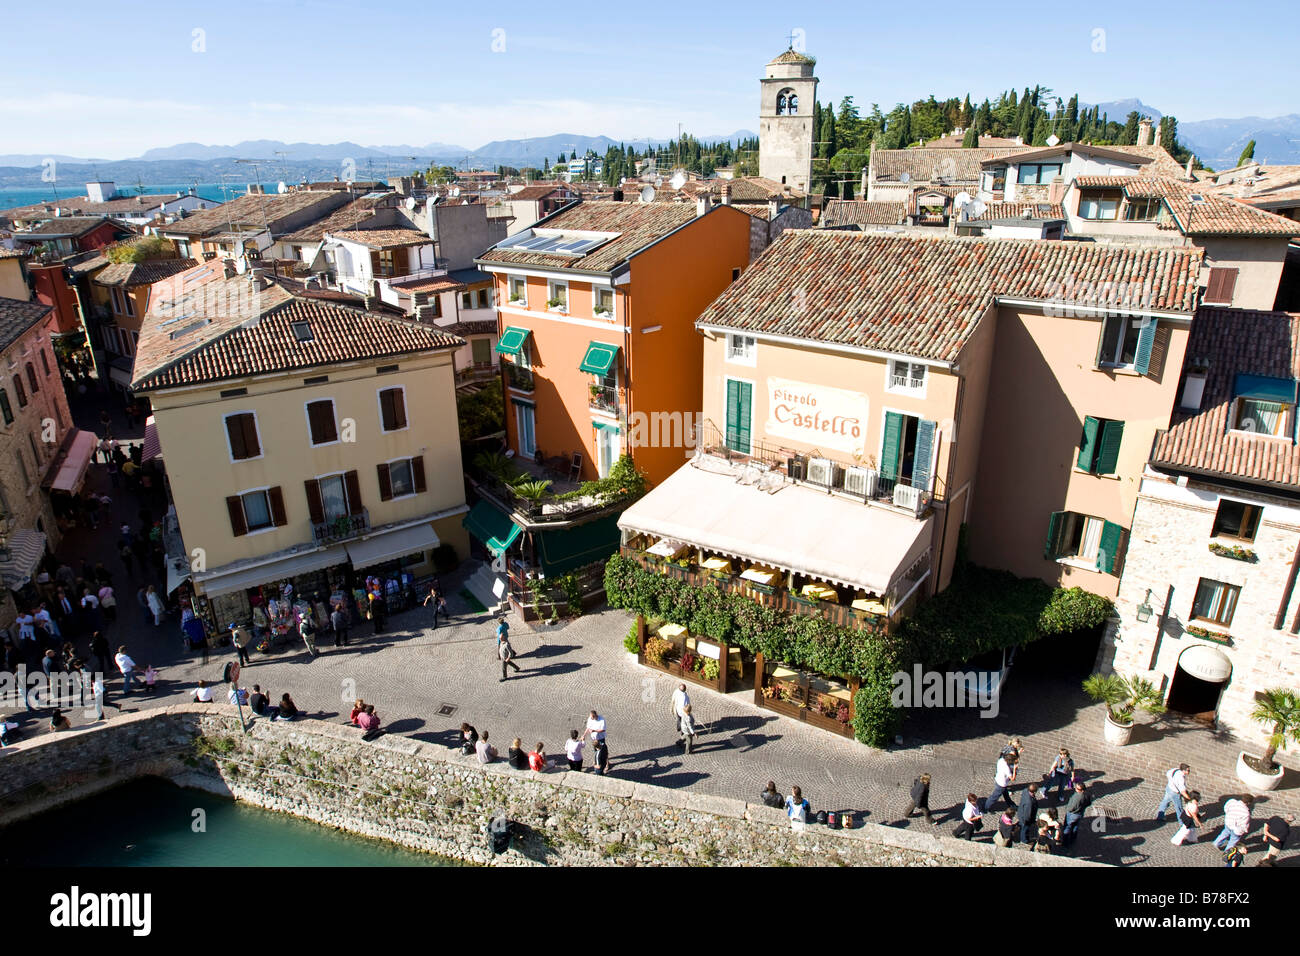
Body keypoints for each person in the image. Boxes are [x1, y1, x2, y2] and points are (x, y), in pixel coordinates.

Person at [1061, 781, 1091, 847]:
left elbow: (1071, 808)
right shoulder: (1087, 795)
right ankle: (1073, 838)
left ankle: (1065, 842)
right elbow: (1089, 803)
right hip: (1080, 813)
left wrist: (1067, 809)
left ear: (1081, 790)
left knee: (1067, 827)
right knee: (1075, 826)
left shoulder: (1077, 797)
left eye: (1077, 788)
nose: (1075, 789)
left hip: (1073, 814)